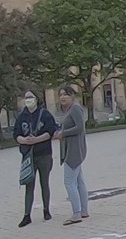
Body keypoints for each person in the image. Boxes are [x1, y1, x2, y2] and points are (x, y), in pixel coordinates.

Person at [14, 90, 58, 228]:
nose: (28, 100)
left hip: (44, 154)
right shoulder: (22, 116)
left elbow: (50, 131)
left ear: (36, 98)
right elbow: (16, 134)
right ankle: (27, 215)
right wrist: (24, 140)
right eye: (26, 97)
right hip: (29, 156)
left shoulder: (44, 114)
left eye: (30, 97)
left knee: (44, 182)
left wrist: (36, 140)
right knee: (29, 185)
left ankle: (46, 210)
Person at [54, 87, 89, 225]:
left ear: (72, 96)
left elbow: (80, 127)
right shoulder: (70, 110)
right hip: (72, 149)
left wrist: (63, 133)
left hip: (74, 151)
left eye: (66, 95)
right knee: (79, 181)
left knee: (69, 182)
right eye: (61, 95)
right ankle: (83, 210)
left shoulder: (75, 109)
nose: (63, 97)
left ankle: (76, 213)